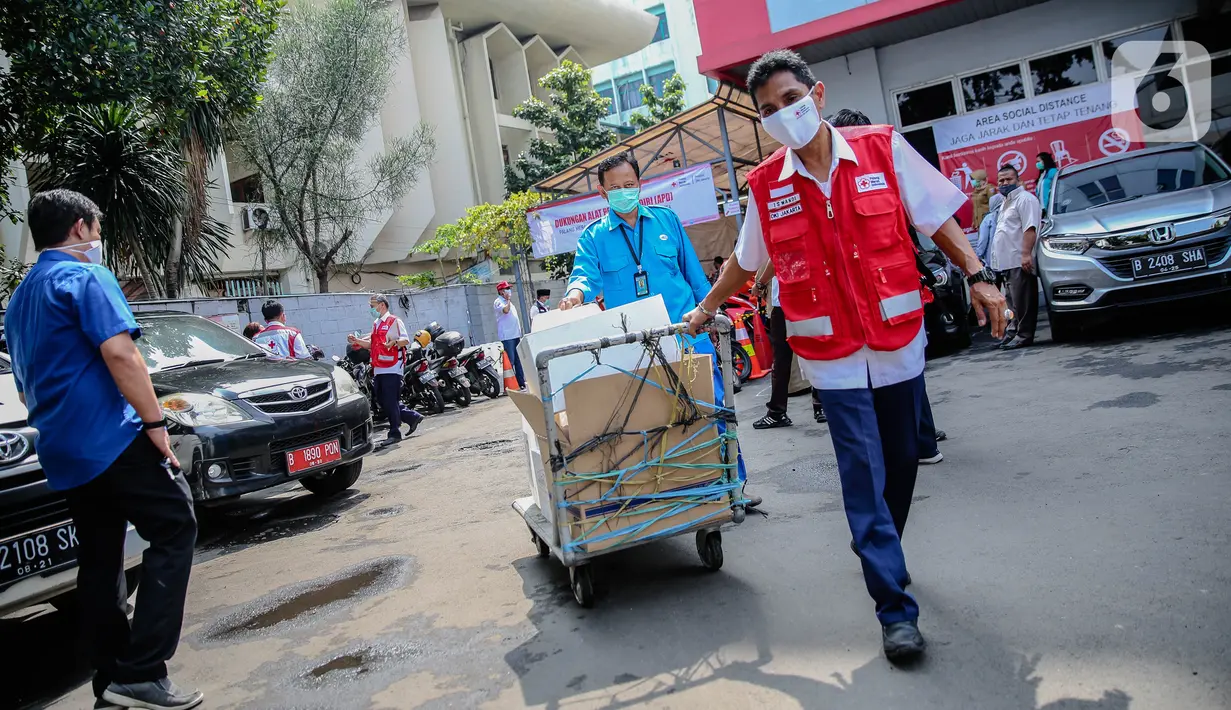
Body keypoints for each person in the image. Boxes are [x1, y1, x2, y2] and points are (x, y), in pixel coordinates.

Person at [687, 51, 1006, 661]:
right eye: (768, 111)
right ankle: (894, 608)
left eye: (790, 99)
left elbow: (937, 218)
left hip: (896, 343)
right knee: (863, 475)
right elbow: (745, 263)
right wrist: (706, 309)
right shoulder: (765, 185)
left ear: (818, 93)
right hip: (830, 353)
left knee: (903, 462)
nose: (783, 115)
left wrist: (978, 273)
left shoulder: (882, 148)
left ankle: (884, 547)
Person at [3, 190, 203, 709]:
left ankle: (112, 679)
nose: (98, 238)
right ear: (78, 227)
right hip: (109, 438)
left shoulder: (20, 299)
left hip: (61, 448)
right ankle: (141, 672)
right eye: (95, 228)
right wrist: (156, 423)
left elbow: (24, 386)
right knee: (175, 525)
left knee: (100, 559)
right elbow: (121, 353)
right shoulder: (86, 278)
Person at [559, 151, 759, 508]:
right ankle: (670, 491)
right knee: (650, 419)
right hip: (636, 345)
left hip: (686, 335)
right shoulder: (594, 237)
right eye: (615, 188)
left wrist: (710, 314)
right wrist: (575, 296)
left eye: (629, 185)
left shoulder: (667, 222)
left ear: (640, 185)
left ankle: (734, 487)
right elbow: (584, 277)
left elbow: (694, 276)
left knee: (713, 408)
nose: (623, 192)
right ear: (603, 194)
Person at [829, 108, 947, 466]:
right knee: (901, 373)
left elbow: (932, 218)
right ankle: (918, 440)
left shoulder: (886, 169)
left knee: (902, 371)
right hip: (874, 302)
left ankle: (916, 442)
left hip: (894, 296)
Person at [751, 271, 828, 428]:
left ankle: (777, 412)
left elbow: (772, 259)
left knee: (782, 358)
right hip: (807, 293)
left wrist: (760, 283)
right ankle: (821, 405)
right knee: (815, 350)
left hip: (786, 299)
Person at [348, 295, 422, 448]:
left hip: (393, 366)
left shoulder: (394, 320)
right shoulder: (376, 323)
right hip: (379, 367)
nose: (371, 309)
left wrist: (394, 342)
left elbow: (405, 340)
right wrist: (357, 342)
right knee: (382, 400)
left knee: (389, 400)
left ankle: (394, 433)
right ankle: (411, 417)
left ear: (381, 305)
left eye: (372, 306)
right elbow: (372, 345)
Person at [991, 164, 1042, 350]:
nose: (1004, 183)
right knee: (1012, 303)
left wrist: (1026, 254)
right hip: (1006, 263)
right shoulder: (1005, 202)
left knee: (1024, 302)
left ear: (1018, 180)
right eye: (1001, 181)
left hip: (1019, 260)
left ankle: (1024, 335)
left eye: (1008, 179)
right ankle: (1013, 332)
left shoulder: (1025, 200)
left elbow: (1030, 228)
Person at [494, 281, 525, 389]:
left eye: (509, 288)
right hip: (507, 336)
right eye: (506, 289)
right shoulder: (499, 302)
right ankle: (511, 384)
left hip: (515, 334)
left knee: (518, 360)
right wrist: (507, 300)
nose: (509, 290)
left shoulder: (508, 302)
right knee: (510, 360)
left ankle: (521, 382)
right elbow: (505, 311)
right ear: (501, 291)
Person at [974, 191, 1004, 266]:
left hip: (994, 260)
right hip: (1011, 260)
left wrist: (978, 256)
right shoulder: (1008, 214)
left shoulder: (989, 218)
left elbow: (983, 240)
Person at [1035, 151, 1059, 216]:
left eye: (1038, 161)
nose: (1037, 164)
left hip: (1051, 205)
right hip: (1043, 208)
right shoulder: (1042, 174)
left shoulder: (1053, 171)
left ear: (1045, 161)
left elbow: (1057, 186)